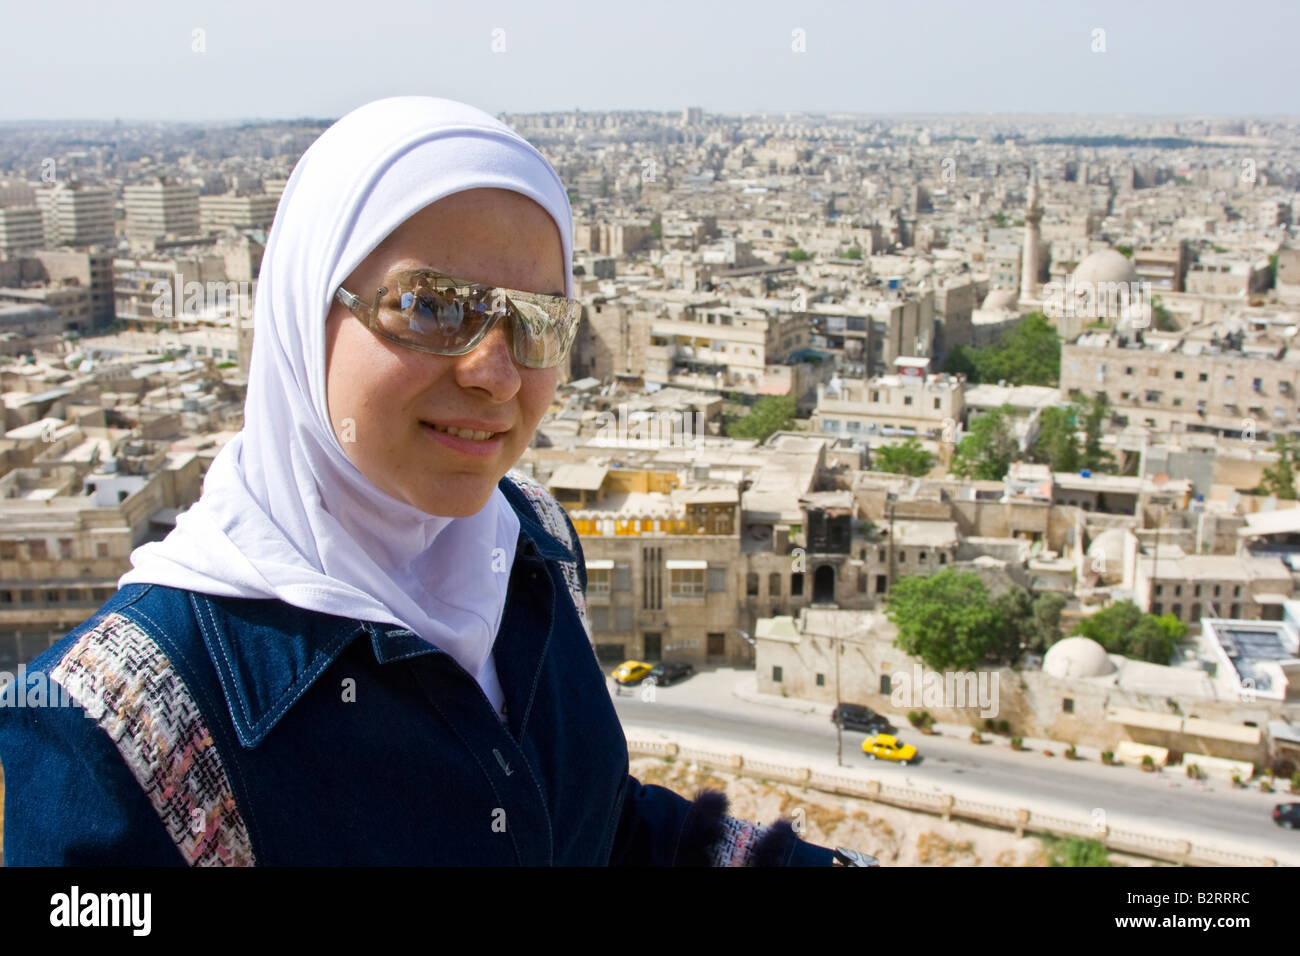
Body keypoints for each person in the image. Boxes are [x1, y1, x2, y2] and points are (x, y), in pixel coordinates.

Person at [0, 96, 850, 866]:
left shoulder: (532, 540)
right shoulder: (111, 725)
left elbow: (589, 828)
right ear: (305, 310)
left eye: (537, 319)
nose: (497, 374)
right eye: (434, 306)